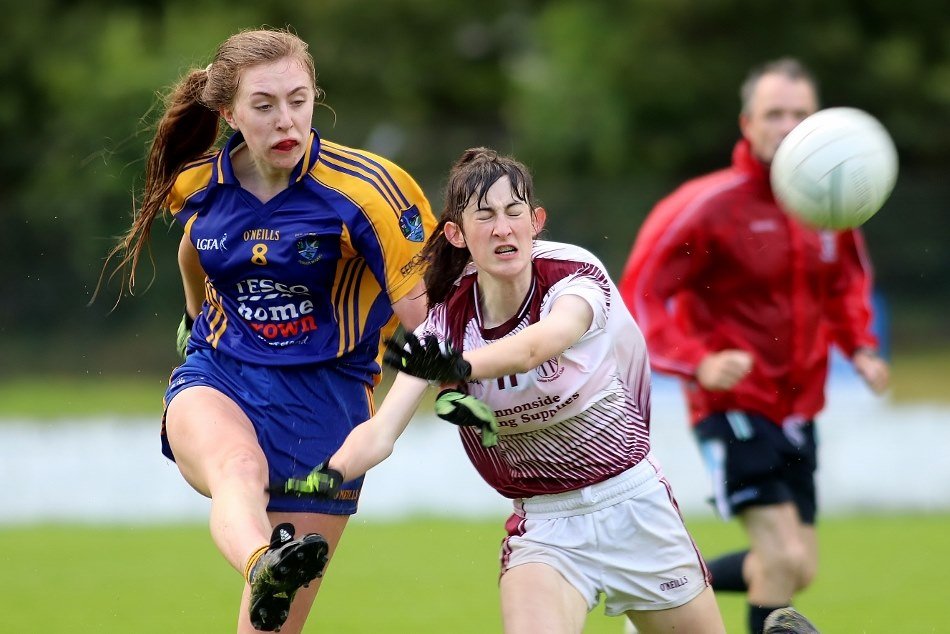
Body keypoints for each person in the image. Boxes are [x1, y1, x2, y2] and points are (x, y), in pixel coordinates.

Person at [282, 147, 727, 633]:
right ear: (456, 233)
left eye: (514, 212)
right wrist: (329, 473)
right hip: (545, 526)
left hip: (634, 505)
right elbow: (382, 432)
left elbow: (539, 345)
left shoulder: (573, 275)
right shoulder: (445, 325)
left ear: (535, 221)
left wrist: (457, 365)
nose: (502, 229)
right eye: (485, 216)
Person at [103, 28, 435, 633]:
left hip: (326, 408)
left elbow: (428, 325)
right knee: (236, 467)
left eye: (299, 100)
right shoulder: (196, 183)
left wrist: (408, 414)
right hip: (219, 374)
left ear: (315, 98)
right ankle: (263, 562)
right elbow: (194, 249)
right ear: (229, 112)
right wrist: (194, 320)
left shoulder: (367, 192)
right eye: (264, 106)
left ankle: (272, 567)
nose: (286, 120)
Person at [618, 57, 889, 634]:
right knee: (783, 557)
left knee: (797, 565)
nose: (787, 125)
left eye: (800, 113)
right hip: (733, 406)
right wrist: (698, 362)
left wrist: (861, 347)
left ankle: (655, 599)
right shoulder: (708, 206)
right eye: (774, 114)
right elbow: (639, 295)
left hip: (798, 409)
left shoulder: (830, 202)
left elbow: (844, 285)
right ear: (747, 124)